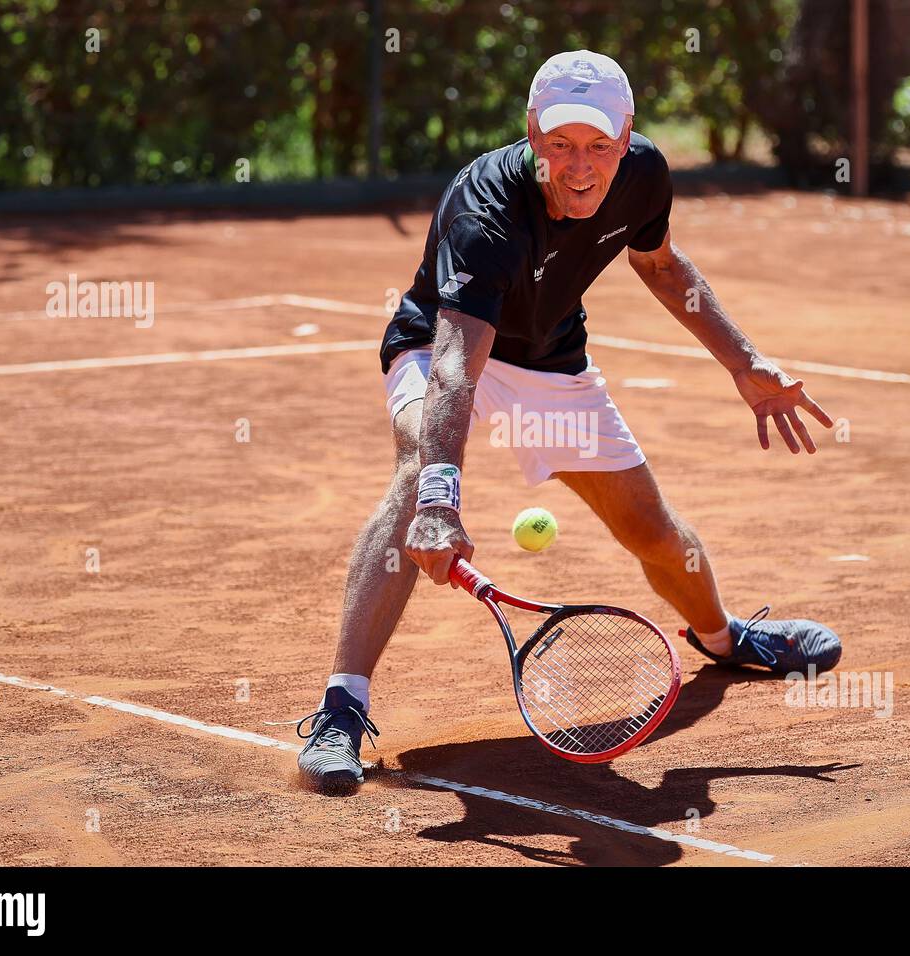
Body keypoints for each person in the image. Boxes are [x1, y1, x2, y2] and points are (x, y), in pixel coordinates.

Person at [298, 50, 842, 795]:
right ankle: (340, 710)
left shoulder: (646, 174)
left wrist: (742, 362)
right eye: (559, 145)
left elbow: (659, 266)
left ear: (627, 138)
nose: (578, 166)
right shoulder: (484, 211)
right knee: (413, 476)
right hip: (442, 345)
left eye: (597, 146)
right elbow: (459, 368)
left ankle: (724, 637)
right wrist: (438, 501)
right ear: (531, 135)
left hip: (551, 359)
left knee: (650, 529)